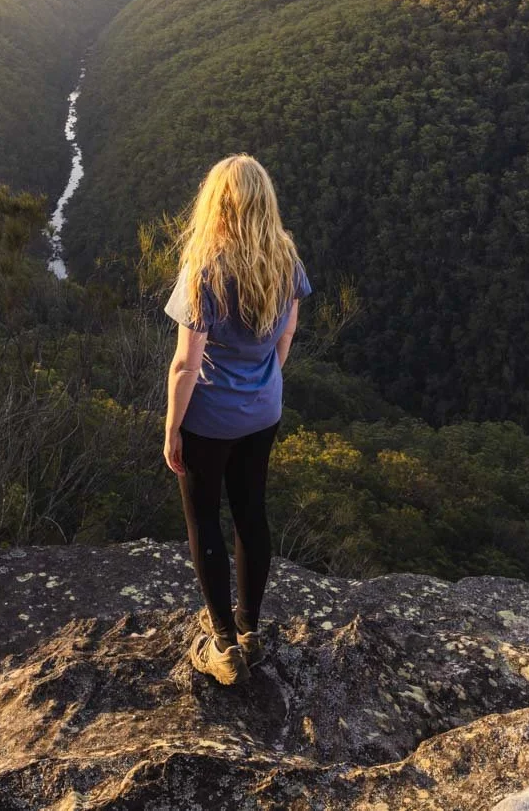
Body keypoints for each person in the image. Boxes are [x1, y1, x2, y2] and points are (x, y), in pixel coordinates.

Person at [162, 153, 311, 686]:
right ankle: (251, 629)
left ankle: (223, 645)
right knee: (251, 512)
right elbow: (287, 335)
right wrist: (263, 383)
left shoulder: (204, 268)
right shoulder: (285, 259)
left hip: (208, 419)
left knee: (204, 518)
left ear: (216, 204)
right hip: (262, 413)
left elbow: (186, 363)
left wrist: (172, 426)